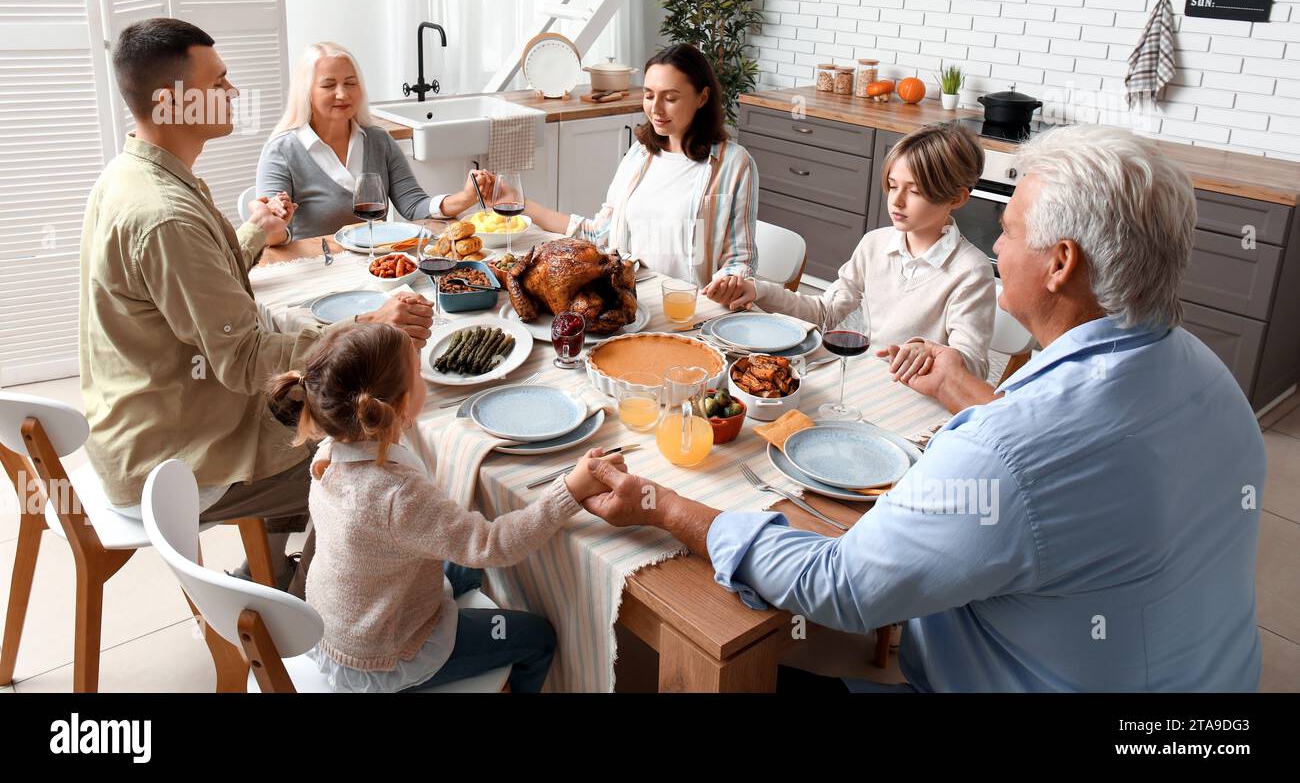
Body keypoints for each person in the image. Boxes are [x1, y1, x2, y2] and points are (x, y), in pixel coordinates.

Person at [580, 124, 1266, 692]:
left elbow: (839, 586)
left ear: (1060, 263)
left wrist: (662, 507)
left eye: (1008, 229)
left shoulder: (1007, 448)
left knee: (729, 649)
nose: (995, 246)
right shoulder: (1213, 379)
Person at [80, 18, 434, 594]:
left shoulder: (134, 176)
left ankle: (271, 573)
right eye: (219, 83)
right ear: (174, 102)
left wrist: (249, 235)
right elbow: (245, 360)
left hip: (133, 426)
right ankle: (323, 617)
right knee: (371, 450)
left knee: (309, 402)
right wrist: (368, 323)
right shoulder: (165, 213)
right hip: (167, 460)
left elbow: (185, 285)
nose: (233, 94)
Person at [267, 322, 624, 692]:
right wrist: (569, 489)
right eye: (418, 372)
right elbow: (493, 545)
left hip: (339, 626)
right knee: (537, 639)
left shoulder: (328, 453)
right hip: (384, 657)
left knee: (463, 569)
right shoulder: (397, 495)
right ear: (403, 404)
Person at [705, 121, 995, 381]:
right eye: (893, 186)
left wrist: (930, 352)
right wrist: (758, 290)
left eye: (915, 191)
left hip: (915, 399)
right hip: (861, 383)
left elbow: (975, 367)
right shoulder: (875, 244)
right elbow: (826, 313)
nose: (897, 201)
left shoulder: (970, 270)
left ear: (957, 198)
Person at [491, 43, 759, 287]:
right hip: (632, 301)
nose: (656, 109)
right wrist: (519, 201)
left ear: (702, 98)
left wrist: (730, 283)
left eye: (670, 98)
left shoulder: (734, 164)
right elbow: (599, 234)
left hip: (693, 310)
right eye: (649, 95)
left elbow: (740, 260)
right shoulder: (639, 155)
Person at [256, 41, 491, 240]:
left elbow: (413, 205)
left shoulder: (378, 140)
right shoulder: (282, 151)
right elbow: (272, 237)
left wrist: (467, 197)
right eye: (329, 85)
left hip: (377, 265)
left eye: (350, 83)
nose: (343, 94)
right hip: (318, 266)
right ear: (306, 92)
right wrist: (272, 222)